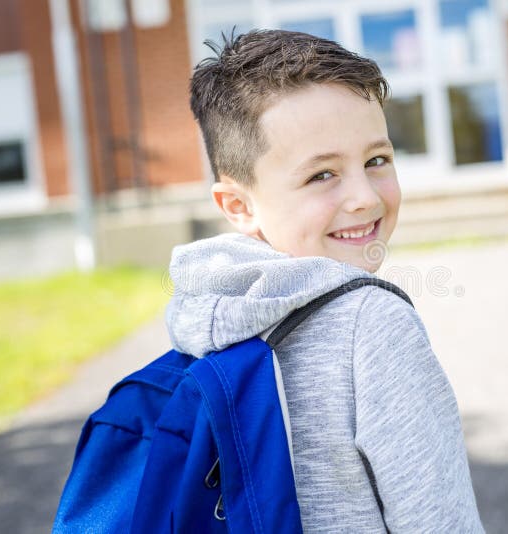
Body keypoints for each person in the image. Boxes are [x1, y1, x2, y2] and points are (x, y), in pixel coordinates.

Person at [165, 29, 485, 532]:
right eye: (322, 175)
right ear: (238, 206)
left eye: (376, 160)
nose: (364, 197)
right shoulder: (374, 326)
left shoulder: (203, 317)